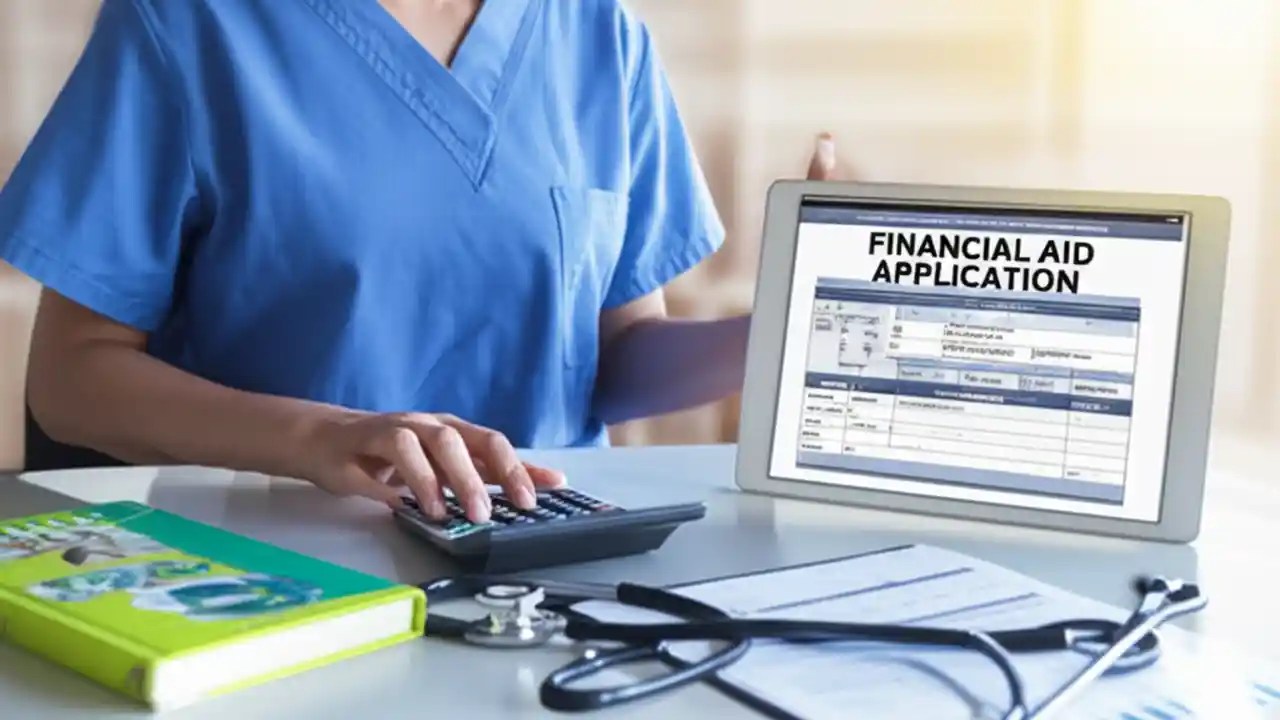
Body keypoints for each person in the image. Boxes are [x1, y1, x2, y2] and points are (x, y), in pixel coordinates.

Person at [0, 0, 837, 524]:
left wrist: (783, 334)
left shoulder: (601, 36)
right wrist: (323, 436)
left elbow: (610, 360)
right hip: (274, 560)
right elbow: (72, 381)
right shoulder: (185, 24)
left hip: (548, 557)